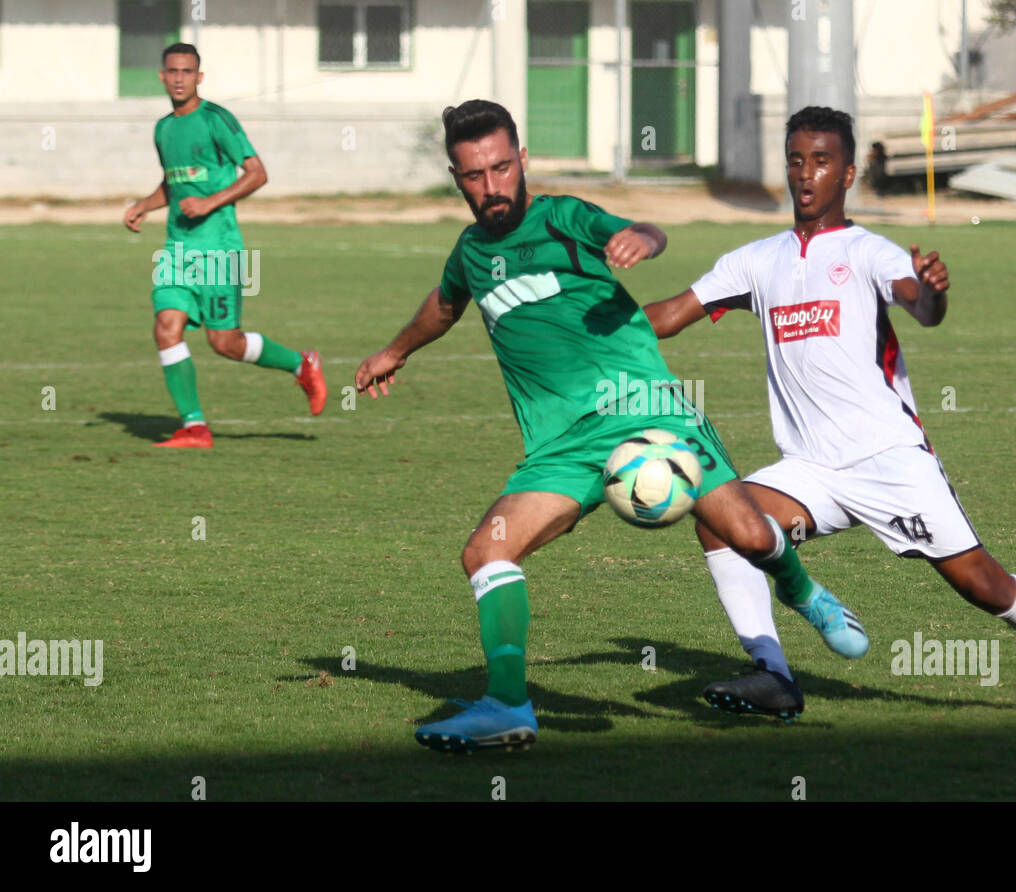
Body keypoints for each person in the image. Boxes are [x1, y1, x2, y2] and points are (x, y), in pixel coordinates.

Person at [353, 99, 865, 753]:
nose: (492, 186)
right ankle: (508, 704)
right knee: (486, 551)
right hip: (562, 445)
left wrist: (641, 240)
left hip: (646, 410)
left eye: (502, 168)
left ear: (523, 160)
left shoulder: (564, 217)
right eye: (475, 175)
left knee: (742, 531)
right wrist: (396, 350)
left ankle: (806, 593)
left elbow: (646, 230)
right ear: (458, 178)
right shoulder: (472, 251)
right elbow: (447, 302)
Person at [642, 106, 1016, 723]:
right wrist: (586, 330)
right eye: (796, 160)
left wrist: (932, 288)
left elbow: (922, 307)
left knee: (982, 584)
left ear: (849, 173)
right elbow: (670, 316)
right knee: (720, 518)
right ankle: (774, 676)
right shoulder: (757, 261)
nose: (806, 174)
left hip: (888, 459)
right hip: (809, 468)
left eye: (822, 161)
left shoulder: (868, 252)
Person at [123, 43, 326, 448]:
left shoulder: (217, 120)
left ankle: (301, 365)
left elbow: (257, 173)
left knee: (224, 343)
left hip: (220, 250)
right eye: (172, 71)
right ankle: (195, 427)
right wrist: (144, 205)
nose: (179, 78)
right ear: (162, 77)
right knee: (166, 328)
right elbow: (175, 181)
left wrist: (210, 202)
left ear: (199, 78)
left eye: (187, 72)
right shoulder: (163, 129)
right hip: (178, 248)